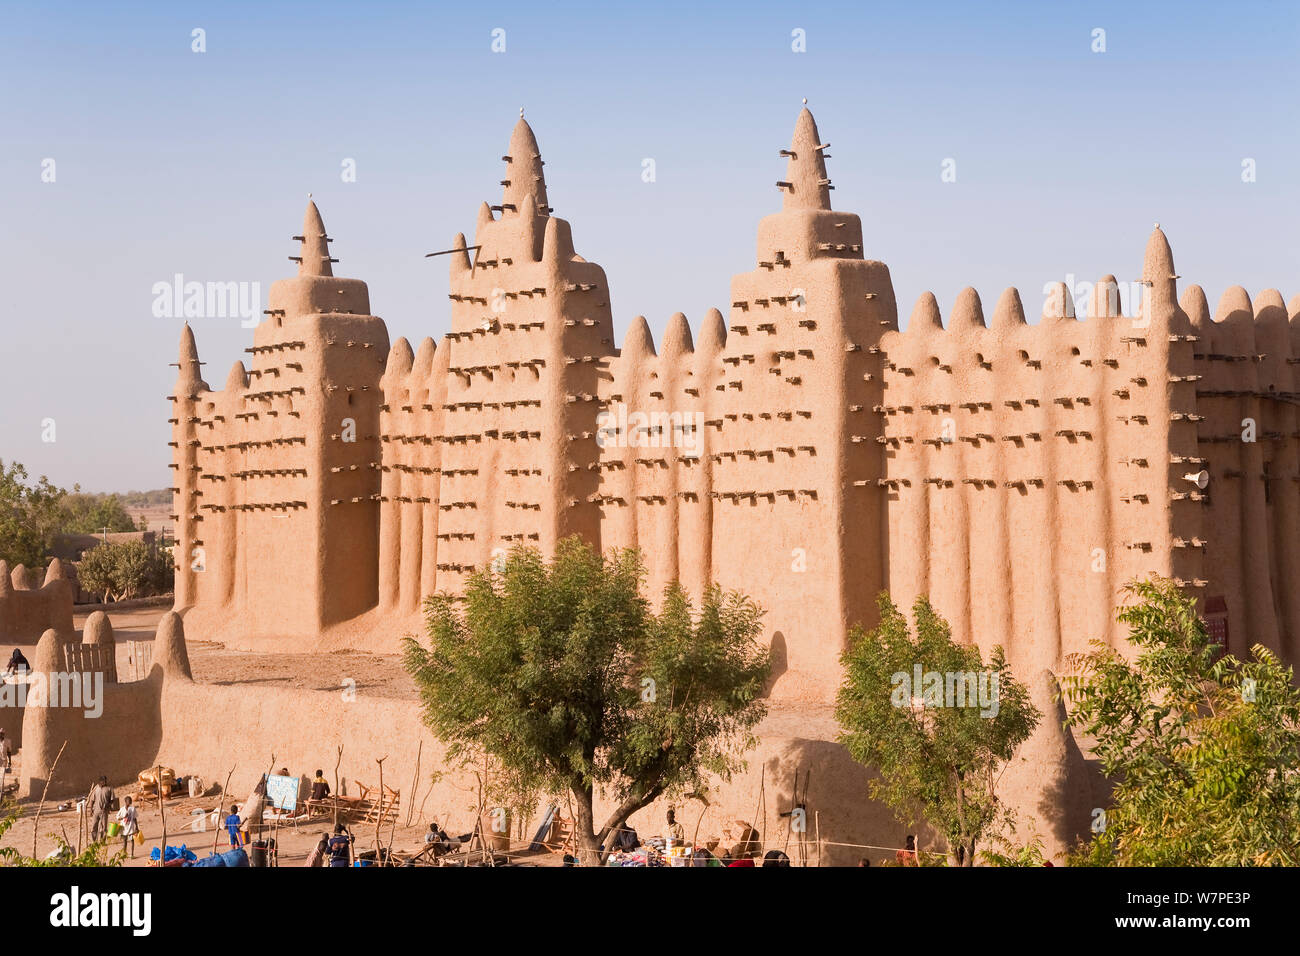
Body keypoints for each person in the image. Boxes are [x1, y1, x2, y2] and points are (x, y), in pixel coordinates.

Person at [87, 776, 113, 842]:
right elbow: (92, 800)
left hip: (104, 811)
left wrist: (108, 805)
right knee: (94, 827)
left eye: (105, 781)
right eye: (103, 781)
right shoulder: (96, 789)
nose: (105, 782)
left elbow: (112, 800)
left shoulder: (109, 789)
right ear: (100, 782)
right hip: (96, 811)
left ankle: (102, 841)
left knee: (104, 828)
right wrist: (91, 810)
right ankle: (94, 841)